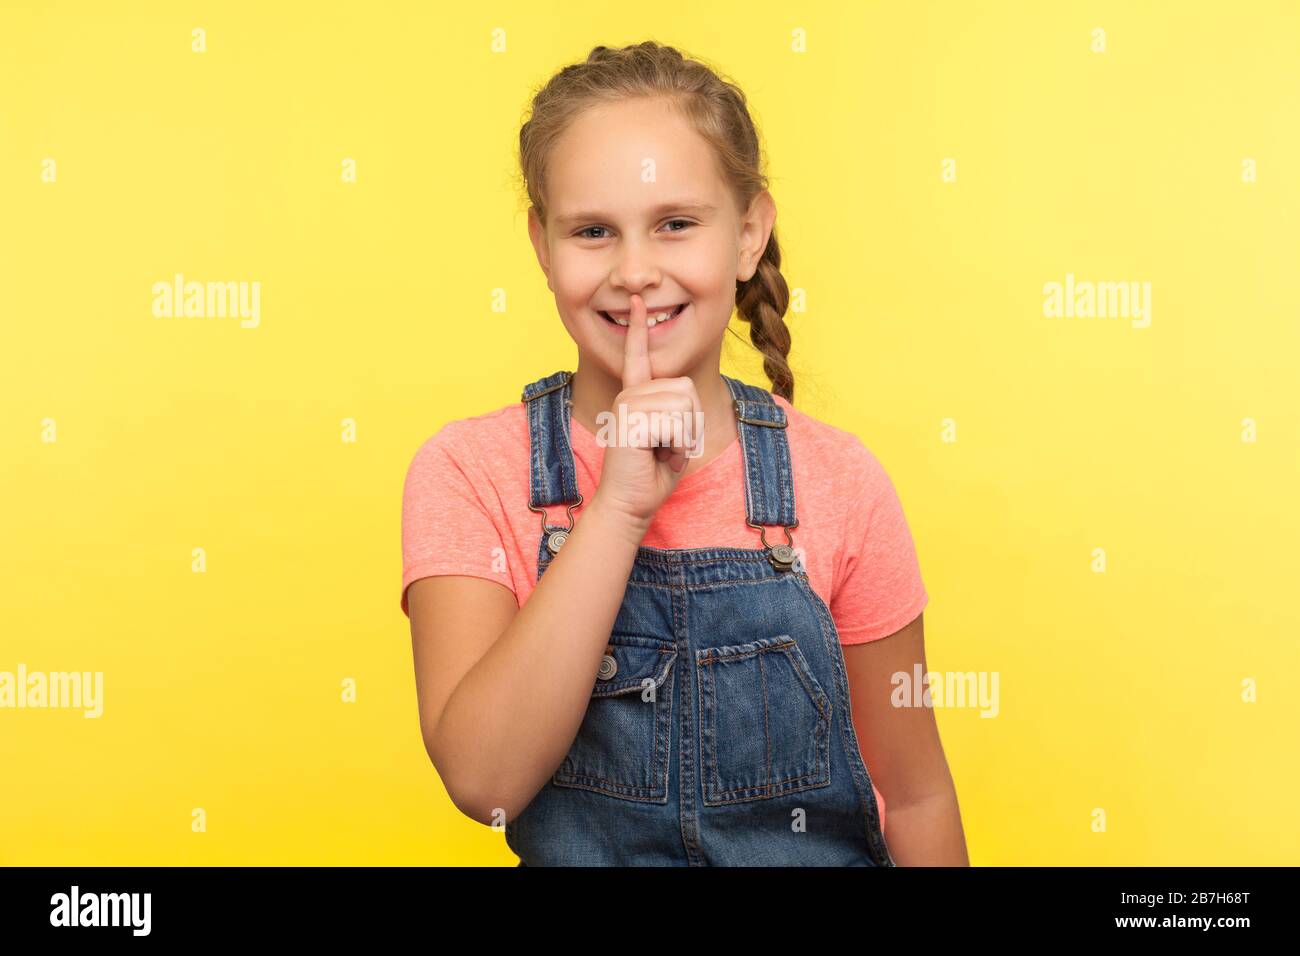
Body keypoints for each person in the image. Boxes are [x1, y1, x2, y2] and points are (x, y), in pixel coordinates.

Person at [402, 41, 968, 866]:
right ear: (542, 246)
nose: (635, 272)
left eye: (675, 224)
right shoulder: (468, 473)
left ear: (747, 235)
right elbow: (485, 783)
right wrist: (619, 507)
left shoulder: (842, 483)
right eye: (593, 231)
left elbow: (918, 795)